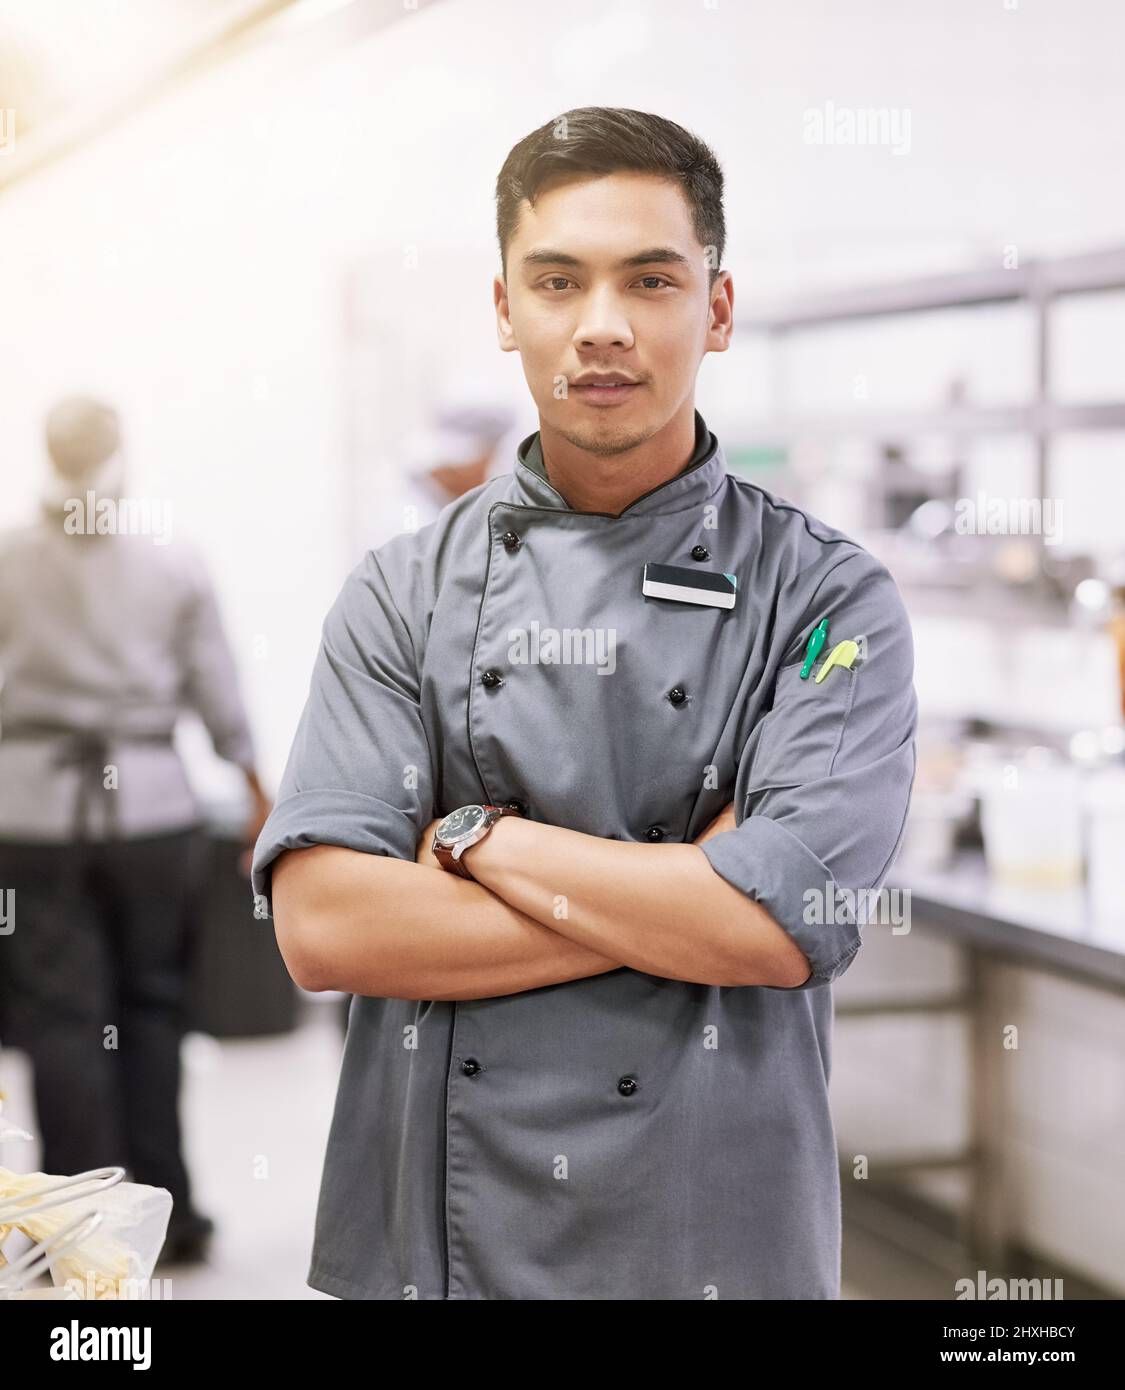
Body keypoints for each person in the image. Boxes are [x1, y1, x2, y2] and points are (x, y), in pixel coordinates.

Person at [251, 107, 918, 1300]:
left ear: (715, 307)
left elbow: (776, 928)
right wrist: (685, 893)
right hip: (442, 1253)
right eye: (557, 280)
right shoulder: (403, 592)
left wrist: (475, 841)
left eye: (650, 280)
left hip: (713, 1237)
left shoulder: (826, 599)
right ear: (505, 308)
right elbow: (327, 930)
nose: (601, 327)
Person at [0, 395, 272, 1266]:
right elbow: (218, 689)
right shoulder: (171, 560)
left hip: (33, 813)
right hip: (154, 814)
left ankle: (75, 1233)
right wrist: (257, 791)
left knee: (60, 1021)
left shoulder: (9, 560)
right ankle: (170, 1216)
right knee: (153, 1012)